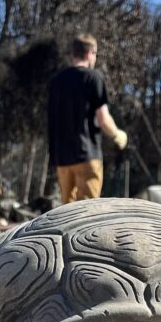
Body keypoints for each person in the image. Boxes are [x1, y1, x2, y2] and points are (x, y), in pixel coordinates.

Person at [47, 33, 128, 204]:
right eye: (95, 53)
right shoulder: (93, 78)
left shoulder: (55, 82)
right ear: (90, 52)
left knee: (66, 213)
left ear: (73, 53)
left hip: (61, 159)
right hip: (87, 156)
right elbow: (103, 118)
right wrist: (117, 135)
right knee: (87, 212)